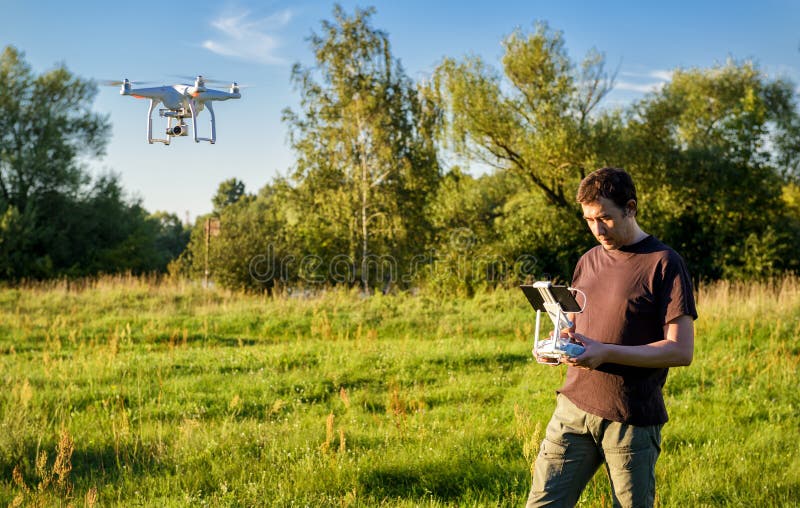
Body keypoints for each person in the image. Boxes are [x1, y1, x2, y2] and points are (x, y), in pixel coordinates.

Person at [526, 167, 697, 508]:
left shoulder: (664, 263)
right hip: (573, 408)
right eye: (589, 220)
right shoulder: (587, 260)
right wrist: (558, 342)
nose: (597, 229)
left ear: (630, 208)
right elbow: (574, 327)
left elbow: (681, 350)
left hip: (630, 419)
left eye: (605, 217)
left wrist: (605, 352)